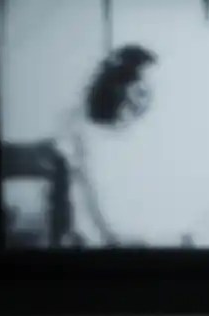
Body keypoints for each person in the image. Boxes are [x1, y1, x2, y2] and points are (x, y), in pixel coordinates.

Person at [57, 45, 159, 248]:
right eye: (140, 89)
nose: (148, 96)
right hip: (99, 237)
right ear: (122, 85)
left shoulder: (144, 128)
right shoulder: (82, 127)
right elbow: (92, 196)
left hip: (132, 233)